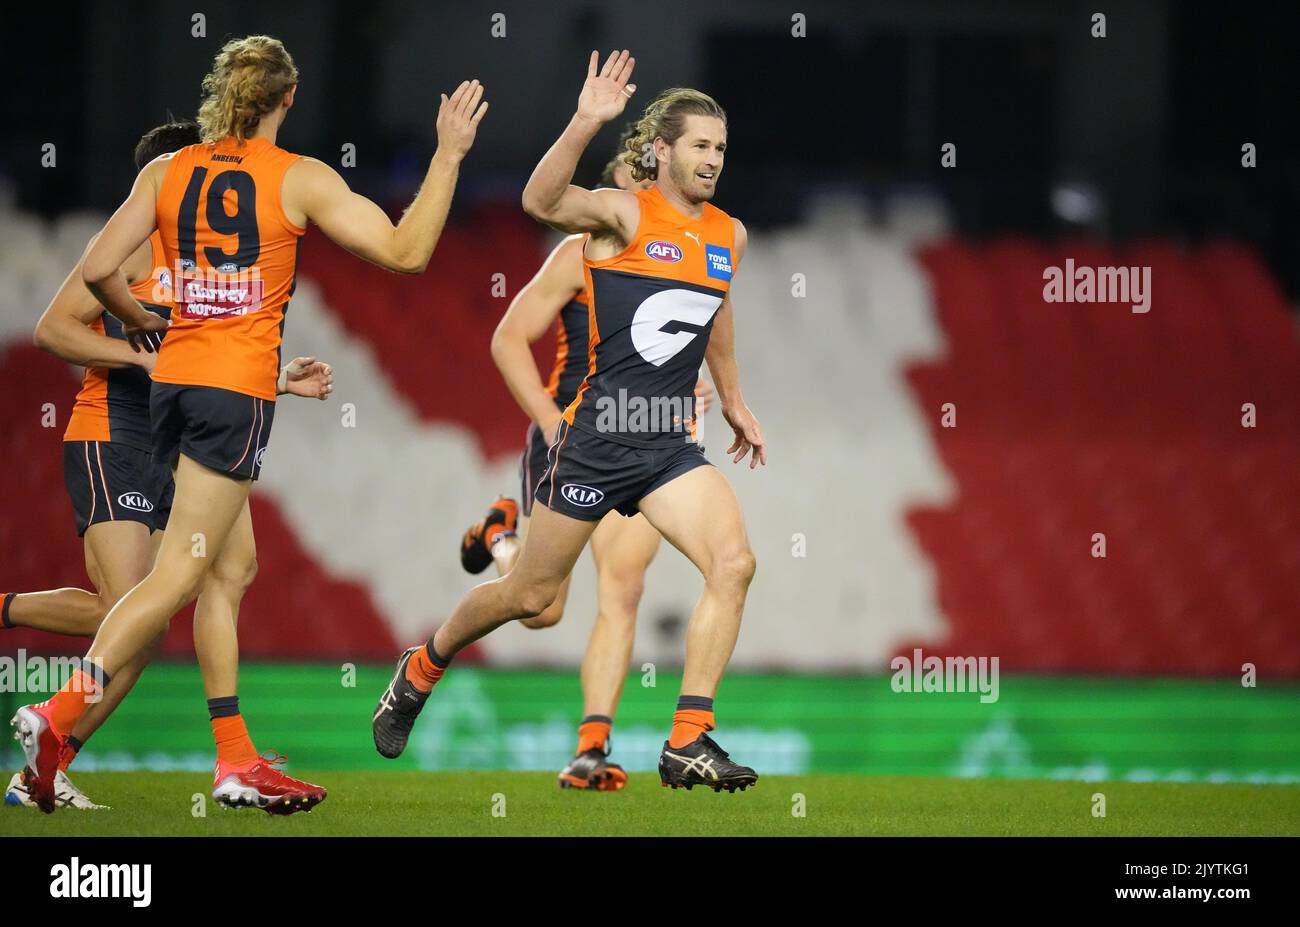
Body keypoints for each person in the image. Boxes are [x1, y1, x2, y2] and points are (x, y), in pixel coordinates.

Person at [12, 34, 488, 814]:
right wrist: (447, 155)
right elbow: (407, 252)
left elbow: (98, 268)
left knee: (230, 568)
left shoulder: (167, 172)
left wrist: (145, 328)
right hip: (232, 398)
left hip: (175, 396)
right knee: (174, 580)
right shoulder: (295, 177)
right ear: (287, 98)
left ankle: (235, 756)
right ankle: (56, 717)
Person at [375, 51, 766, 793]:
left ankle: (688, 737)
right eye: (700, 145)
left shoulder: (729, 234)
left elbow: (716, 309)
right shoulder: (620, 215)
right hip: (594, 441)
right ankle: (421, 667)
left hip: (668, 448)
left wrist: (735, 398)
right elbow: (540, 198)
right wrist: (587, 119)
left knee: (733, 563)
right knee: (532, 598)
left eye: (720, 147)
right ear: (662, 151)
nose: (713, 158)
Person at [2, 121, 333, 810]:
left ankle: (52, 762)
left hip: (177, 439)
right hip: (113, 433)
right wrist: (138, 356)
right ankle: (46, 722)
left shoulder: (208, 259)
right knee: (130, 614)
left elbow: (204, 359)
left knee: (201, 587)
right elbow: (53, 327)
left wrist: (278, 380)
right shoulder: (133, 251)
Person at [458, 132, 715, 790]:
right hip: (573, 438)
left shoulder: (681, 253)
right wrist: (548, 422)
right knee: (542, 609)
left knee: (624, 588)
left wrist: (697, 388)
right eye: (639, 185)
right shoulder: (580, 253)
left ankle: (592, 745)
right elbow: (510, 336)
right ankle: (501, 534)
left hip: (641, 440)